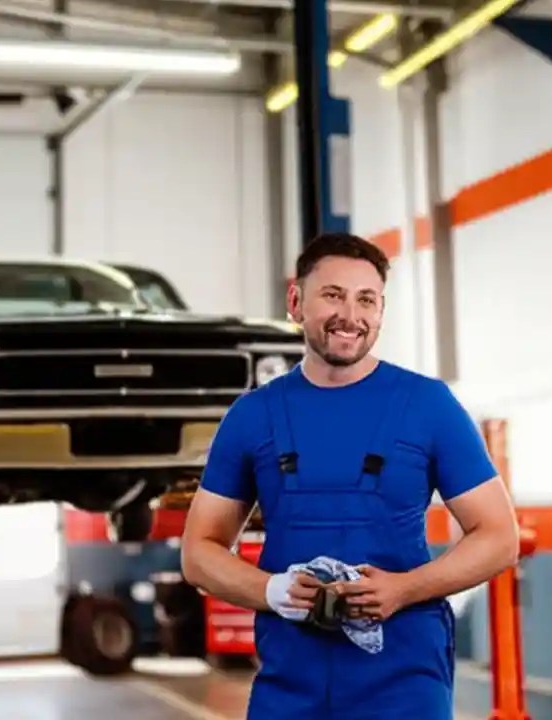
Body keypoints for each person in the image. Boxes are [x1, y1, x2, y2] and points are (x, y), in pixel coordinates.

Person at [181, 232, 520, 719]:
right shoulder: (253, 416)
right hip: (290, 679)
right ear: (296, 301)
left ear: (381, 310)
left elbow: (498, 536)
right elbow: (199, 552)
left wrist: (404, 589)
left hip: (403, 680)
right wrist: (273, 591)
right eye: (333, 295)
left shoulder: (428, 406)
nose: (351, 316)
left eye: (367, 300)